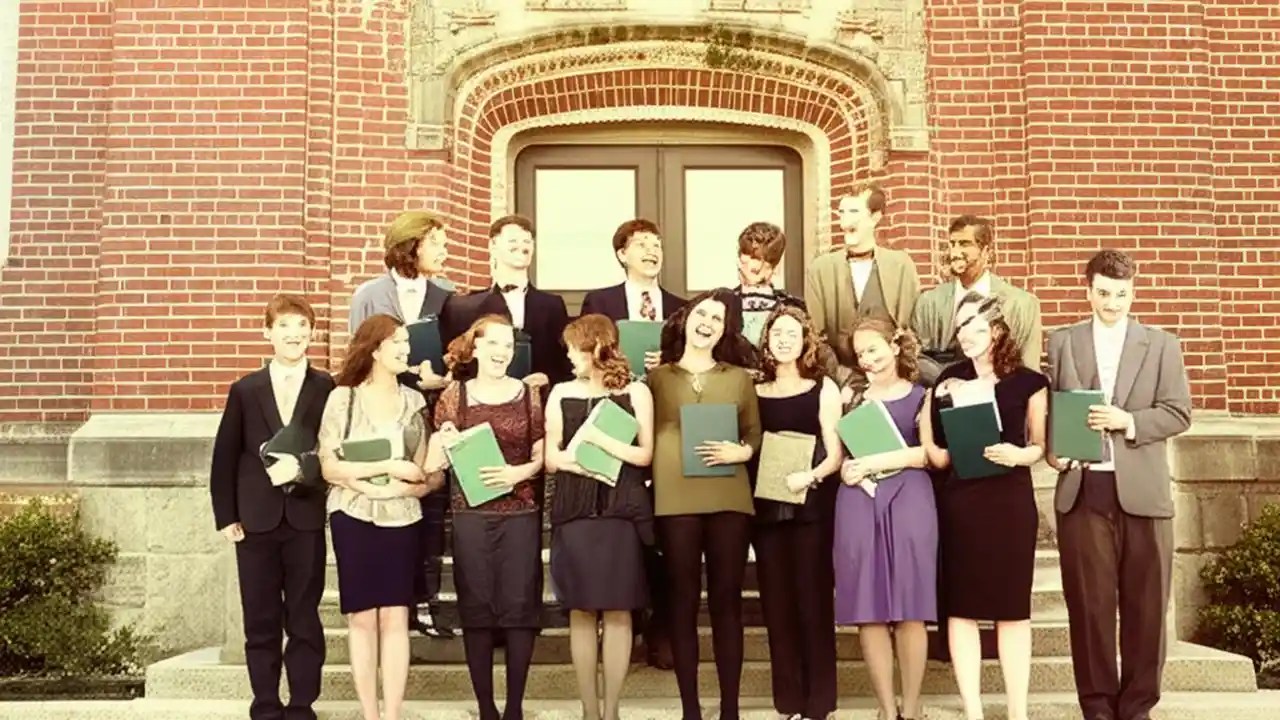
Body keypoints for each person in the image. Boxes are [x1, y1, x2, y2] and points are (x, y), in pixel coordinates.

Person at [1045, 250, 1192, 720]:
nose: (1113, 303)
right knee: (1089, 609)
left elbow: (1178, 412)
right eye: (1104, 293)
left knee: (1146, 609)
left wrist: (1127, 420)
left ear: (1134, 291)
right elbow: (1053, 413)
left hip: (1143, 493)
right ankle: (1098, 708)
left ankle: (1137, 708)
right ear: (1088, 290)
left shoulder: (1162, 344)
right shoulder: (1063, 341)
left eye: (1122, 294)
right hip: (1084, 490)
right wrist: (1057, 450)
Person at [920, 294, 1048, 720]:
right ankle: (973, 709)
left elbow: (1042, 448)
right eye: (960, 328)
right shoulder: (947, 381)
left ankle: (1017, 711)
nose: (965, 335)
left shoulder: (1030, 382)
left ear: (996, 329)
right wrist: (928, 413)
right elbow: (938, 456)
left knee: (1012, 608)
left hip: (1010, 502)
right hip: (962, 503)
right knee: (962, 607)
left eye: (974, 325)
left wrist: (1017, 454)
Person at [210, 294, 334, 720]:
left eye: (302, 326)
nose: (294, 334)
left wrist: (307, 471)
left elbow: (333, 450)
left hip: (304, 518)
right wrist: (226, 515)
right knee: (260, 617)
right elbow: (225, 455)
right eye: (284, 326)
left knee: (304, 616)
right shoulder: (245, 390)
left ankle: (301, 705)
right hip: (255, 521)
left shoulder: (327, 387)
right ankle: (265, 705)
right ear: (268, 332)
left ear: (312, 333)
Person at [648, 287, 762, 720]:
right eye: (702, 313)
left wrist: (744, 453)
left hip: (728, 497)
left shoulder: (738, 377)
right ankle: (690, 708)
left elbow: (754, 432)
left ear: (724, 331)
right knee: (680, 601)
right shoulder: (657, 379)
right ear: (685, 320)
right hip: (675, 500)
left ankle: (730, 707)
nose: (708, 322)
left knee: (726, 602)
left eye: (718, 318)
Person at [317, 314, 439, 720]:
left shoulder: (415, 401)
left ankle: (392, 714)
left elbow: (422, 472)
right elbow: (329, 467)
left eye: (406, 342)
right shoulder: (342, 398)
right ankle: (369, 713)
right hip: (353, 514)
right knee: (362, 616)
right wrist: (380, 471)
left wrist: (407, 484)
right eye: (398, 343)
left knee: (396, 614)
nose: (406, 350)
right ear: (374, 349)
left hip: (402, 515)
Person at [428, 314, 547, 720]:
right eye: (493, 343)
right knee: (476, 608)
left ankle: (514, 707)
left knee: (519, 609)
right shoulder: (454, 395)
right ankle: (485, 708)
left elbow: (541, 453)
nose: (501, 352)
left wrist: (519, 472)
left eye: (508, 345)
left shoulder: (528, 394)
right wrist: (444, 440)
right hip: (470, 514)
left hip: (520, 512)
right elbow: (438, 454)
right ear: (475, 347)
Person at [579, 217, 685, 670]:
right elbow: (585, 353)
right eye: (642, 244)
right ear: (622, 253)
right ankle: (626, 622)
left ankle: (661, 629)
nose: (652, 250)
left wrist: (670, 359)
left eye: (657, 244)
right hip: (614, 425)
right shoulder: (598, 301)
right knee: (619, 532)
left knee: (662, 534)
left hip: (665, 425)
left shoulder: (680, 307)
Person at [348, 209, 457, 638]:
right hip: (383, 411)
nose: (444, 250)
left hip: (431, 412)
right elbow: (356, 356)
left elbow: (456, 353)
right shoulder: (369, 294)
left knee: (430, 507)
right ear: (411, 245)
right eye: (436, 242)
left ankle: (424, 602)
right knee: (388, 503)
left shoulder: (448, 295)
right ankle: (388, 597)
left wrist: (443, 375)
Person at [544, 314, 656, 720]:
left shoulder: (636, 392)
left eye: (575, 349)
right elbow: (551, 458)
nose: (570, 357)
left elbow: (645, 455)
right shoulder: (560, 393)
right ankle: (589, 710)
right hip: (575, 510)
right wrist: (580, 463)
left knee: (618, 608)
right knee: (581, 608)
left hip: (619, 511)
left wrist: (600, 441)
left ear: (595, 349)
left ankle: (612, 710)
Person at [833, 319, 937, 720]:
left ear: (895, 346)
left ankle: (910, 708)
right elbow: (840, 455)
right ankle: (885, 708)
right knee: (868, 606)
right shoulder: (851, 397)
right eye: (860, 355)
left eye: (874, 350)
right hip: (859, 501)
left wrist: (874, 461)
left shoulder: (922, 394)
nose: (868, 360)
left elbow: (927, 454)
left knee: (911, 604)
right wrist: (845, 470)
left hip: (910, 495)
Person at [749, 305, 842, 720]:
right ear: (766, 340)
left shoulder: (823, 388)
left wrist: (810, 476)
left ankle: (819, 703)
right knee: (777, 604)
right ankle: (787, 702)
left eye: (792, 332)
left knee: (813, 601)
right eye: (776, 332)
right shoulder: (754, 390)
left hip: (811, 508)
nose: (783, 339)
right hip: (766, 509)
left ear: (806, 340)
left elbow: (835, 454)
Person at [440, 214, 573, 390]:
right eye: (513, 240)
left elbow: (565, 361)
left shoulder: (553, 305)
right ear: (492, 246)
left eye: (527, 241)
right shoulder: (463, 307)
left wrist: (547, 377)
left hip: (540, 403)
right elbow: (454, 363)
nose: (522, 245)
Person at [805, 183, 921, 380]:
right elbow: (817, 337)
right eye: (841, 212)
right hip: (840, 376)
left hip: (895, 373)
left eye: (853, 211)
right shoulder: (820, 269)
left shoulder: (901, 265)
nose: (844, 221)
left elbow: (911, 327)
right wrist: (842, 379)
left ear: (875, 217)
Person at [911, 215, 1042, 386]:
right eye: (952, 244)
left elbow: (1030, 370)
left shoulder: (1021, 304)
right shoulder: (928, 303)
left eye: (965, 244)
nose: (955, 252)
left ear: (986, 252)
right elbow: (916, 362)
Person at [728, 222, 805, 347]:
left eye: (766, 258)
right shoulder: (722, 305)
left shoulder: (793, 308)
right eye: (748, 254)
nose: (755, 265)